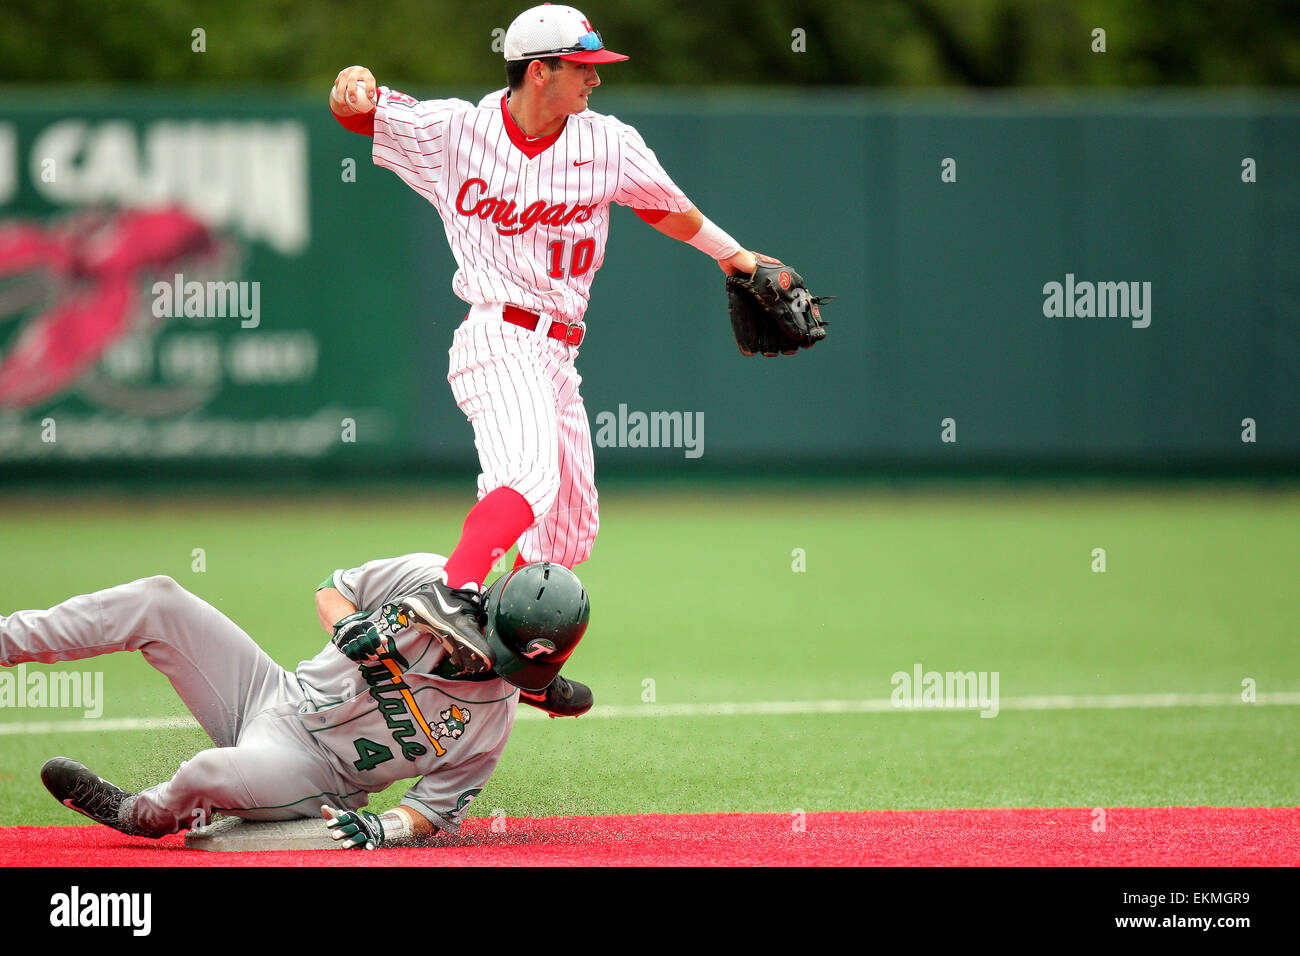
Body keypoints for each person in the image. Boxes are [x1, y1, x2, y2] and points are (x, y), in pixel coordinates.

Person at [328, 4, 761, 717]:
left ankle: (517, 658)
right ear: (540, 71)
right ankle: (451, 594)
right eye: (583, 67)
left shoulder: (607, 145)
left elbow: (664, 209)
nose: (595, 79)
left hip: (560, 353)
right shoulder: (456, 132)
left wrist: (737, 259)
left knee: (567, 529)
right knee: (525, 477)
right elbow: (365, 115)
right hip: (497, 334)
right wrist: (353, 85)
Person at [0, 554, 588, 849]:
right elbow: (334, 589)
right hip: (273, 691)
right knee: (160, 600)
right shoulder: (429, 577)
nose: (504, 672)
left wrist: (385, 827)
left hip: (315, 772)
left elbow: (433, 811)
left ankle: (139, 815)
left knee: (207, 771)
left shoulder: (493, 714)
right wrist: (346, 623)